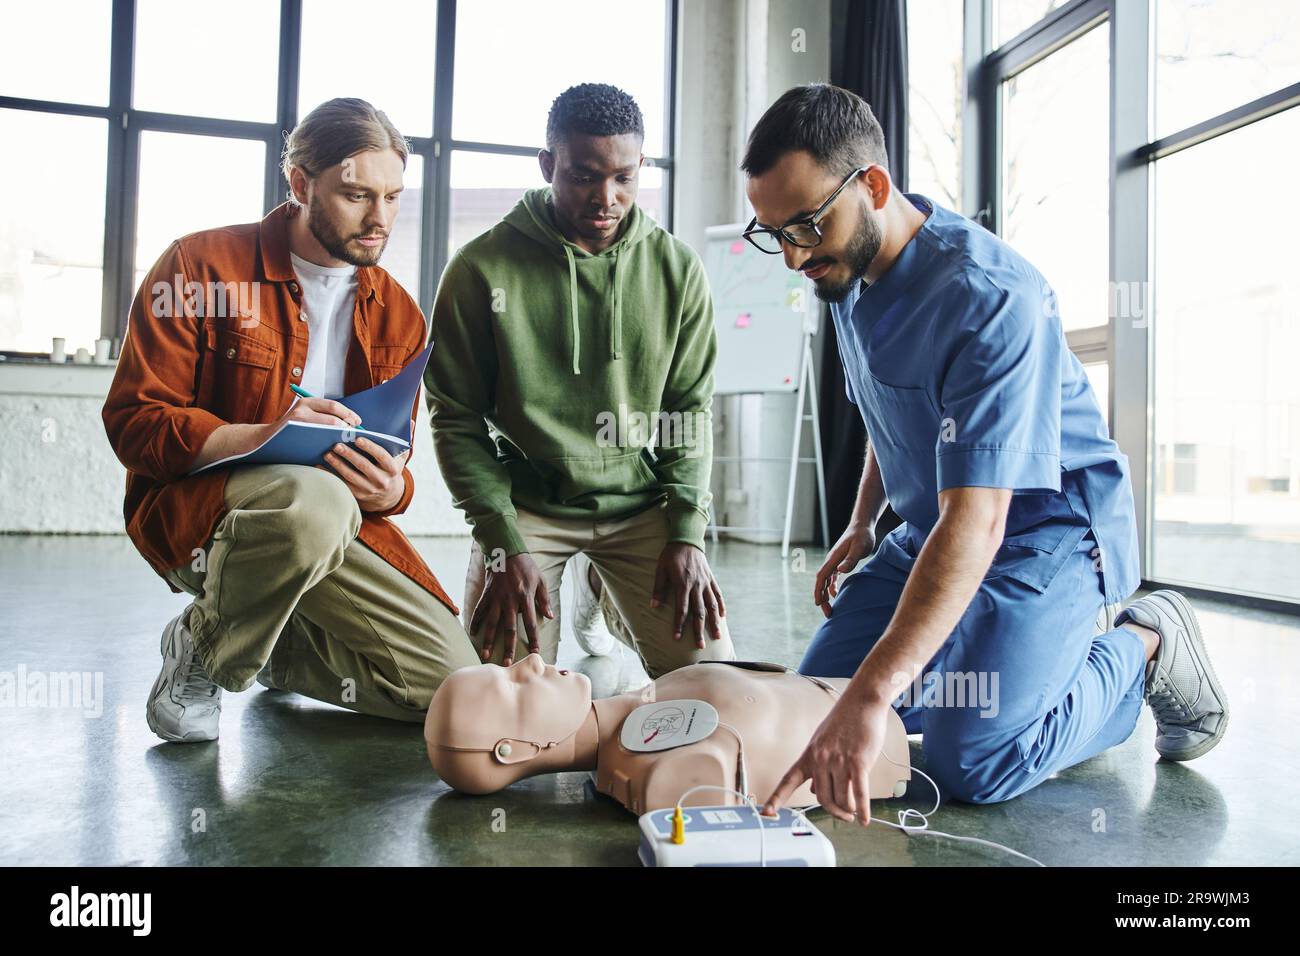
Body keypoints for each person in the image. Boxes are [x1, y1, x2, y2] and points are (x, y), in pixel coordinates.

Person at [737, 84, 1228, 818]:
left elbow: (981, 522)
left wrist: (877, 692)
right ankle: (985, 661)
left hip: (1045, 533)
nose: (791, 256)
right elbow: (890, 405)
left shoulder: (992, 299)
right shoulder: (842, 274)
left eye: (804, 225)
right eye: (772, 232)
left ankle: (1144, 644)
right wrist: (863, 524)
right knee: (818, 714)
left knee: (975, 759)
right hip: (935, 525)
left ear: (872, 185)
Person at [102, 98, 479, 743]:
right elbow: (136, 424)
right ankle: (201, 647)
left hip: (332, 527)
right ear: (299, 183)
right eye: (357, 195)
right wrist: (266, 435)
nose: (379, 219)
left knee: (455, 693)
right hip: (203, 515)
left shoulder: (399, 315)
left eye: (393, 197)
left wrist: (394, 489)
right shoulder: (198, 268)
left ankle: (268, 641)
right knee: (313, 504)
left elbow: (394, 457)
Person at [425, 83, 734, 678]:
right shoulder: (479, 268)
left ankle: (605, 580)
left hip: (637, 504)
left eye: (623, 177)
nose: (606, 198)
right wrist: (500, 541)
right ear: (549, 166)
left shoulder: (677, 269)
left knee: (714, 683)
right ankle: (583, 571)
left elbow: (688, 411)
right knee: (510, 703)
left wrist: (687, 531)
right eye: (584, 175)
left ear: (641, 166)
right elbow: (455, 416)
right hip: (528, 507)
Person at [424, 654, 911, 815]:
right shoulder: (663, 775)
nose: (530, 662)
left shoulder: (652, 698)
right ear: (511, 751)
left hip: (868, 697)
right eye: (510, 685)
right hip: (879, 737)